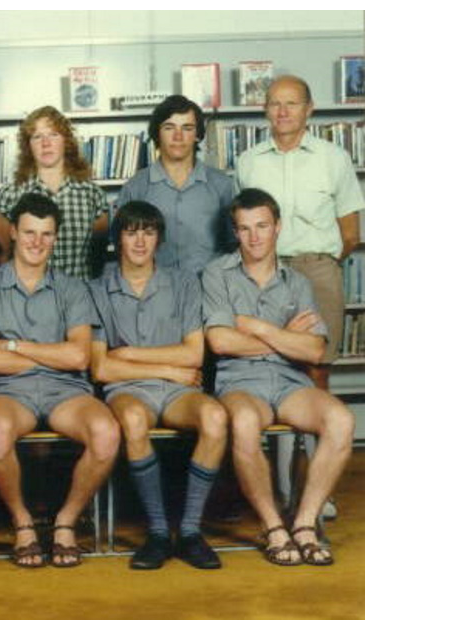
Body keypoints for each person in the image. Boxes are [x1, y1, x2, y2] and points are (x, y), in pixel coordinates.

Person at [202, 188, 355, 567]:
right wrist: (286, 336)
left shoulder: (298, 281)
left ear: (277, 228)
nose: (254, 237)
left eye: (262, 226)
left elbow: (315, 350)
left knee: (341, 419)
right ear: (235, 232)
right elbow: (219, 341)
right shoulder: (216, 274)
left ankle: (303, 525)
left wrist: (256, 327)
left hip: (290, 383)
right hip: (239, 382)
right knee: (245, 420)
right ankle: (274, 527)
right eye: (244, 228)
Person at [235, 75, 364, 517]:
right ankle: (279, 487)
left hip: (315, 267)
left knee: (314, 374)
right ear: (265, 110)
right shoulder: (248, 161)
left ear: (310, 109)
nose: (283, 111)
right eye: (274, 104)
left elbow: (350, 233)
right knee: (266, 366)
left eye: (292, 104)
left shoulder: (334, 158)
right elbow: (244, 226)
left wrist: (317, 266)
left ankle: (316, 488)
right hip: (264, 271)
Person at [0, 192, 120, 569]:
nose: (38, 242)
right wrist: (50, 353)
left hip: (66, 390)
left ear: (56, 238)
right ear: (14, 235)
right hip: (8, 391)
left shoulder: (72, 288)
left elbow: (79, 356)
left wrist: (16, 345)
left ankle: (65, 522)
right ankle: (22, 524)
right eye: (30, 232)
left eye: (46, 234)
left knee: (106, 433)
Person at [88, 201, 228, 570]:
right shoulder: (98, 288)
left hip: (179, 391)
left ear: (159, 239)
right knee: (133, 420)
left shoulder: (183, 282)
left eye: (148, 232)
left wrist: (130, 353)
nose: (139, 241)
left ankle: (191, 531)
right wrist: (169, 367)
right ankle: (158, 532)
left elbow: (195, 354)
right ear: (118, 238)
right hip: (129, 390)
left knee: (215, 417)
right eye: (131, 232)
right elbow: (101, 368)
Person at [115, 95, 237, 276]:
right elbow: (123, 245)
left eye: (187, 128)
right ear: (157, 133)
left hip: (210, 290)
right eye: (169, 127)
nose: (178, 136)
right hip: (154, 290)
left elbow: (234, 243)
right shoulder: (136, 187)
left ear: (198, 135)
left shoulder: (222, 185)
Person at [0, 106, 107, 279]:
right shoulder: (9, 195)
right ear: (28, 146)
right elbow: (3, 258)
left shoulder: (92, 194)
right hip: (27, 300)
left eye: (53, 134)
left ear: (66, 142)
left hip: (78, 298)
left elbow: (97, 258)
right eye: (37, 137)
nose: (46, 143)